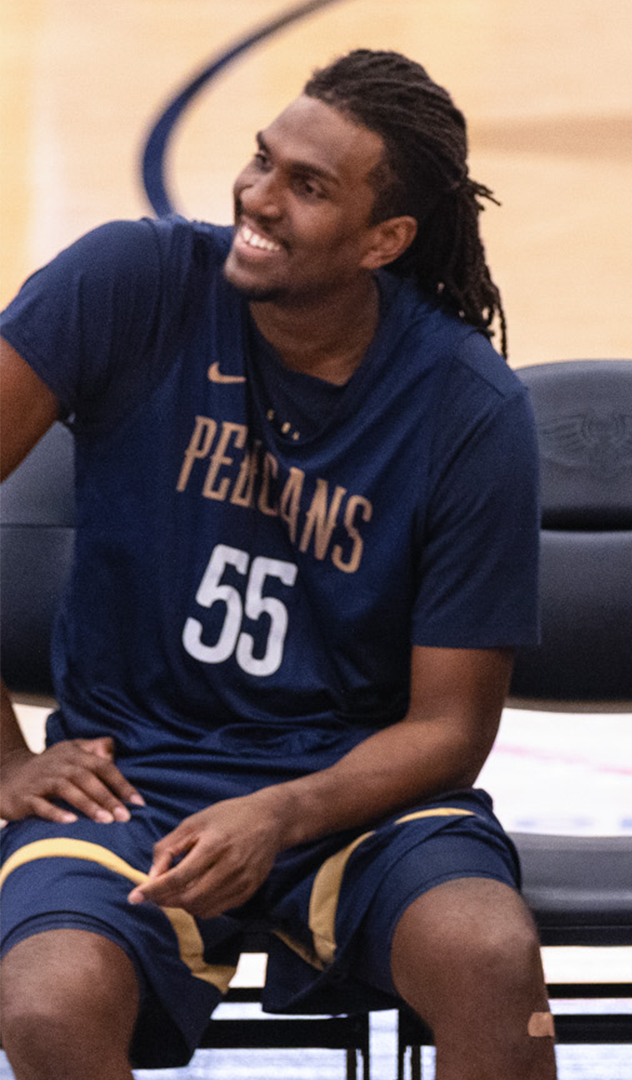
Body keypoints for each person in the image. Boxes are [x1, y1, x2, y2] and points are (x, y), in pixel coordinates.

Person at [0, 50, 555, 1078]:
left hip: (356, 796)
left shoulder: (469, 408)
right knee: (46, 1004)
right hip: (132, 787)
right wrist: (4, 757)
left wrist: (281, 811)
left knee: (488, 955)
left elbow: (450, 729)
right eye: (263, 161)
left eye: (308, 186)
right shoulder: (130, 282)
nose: (258, 197)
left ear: (386, 239)